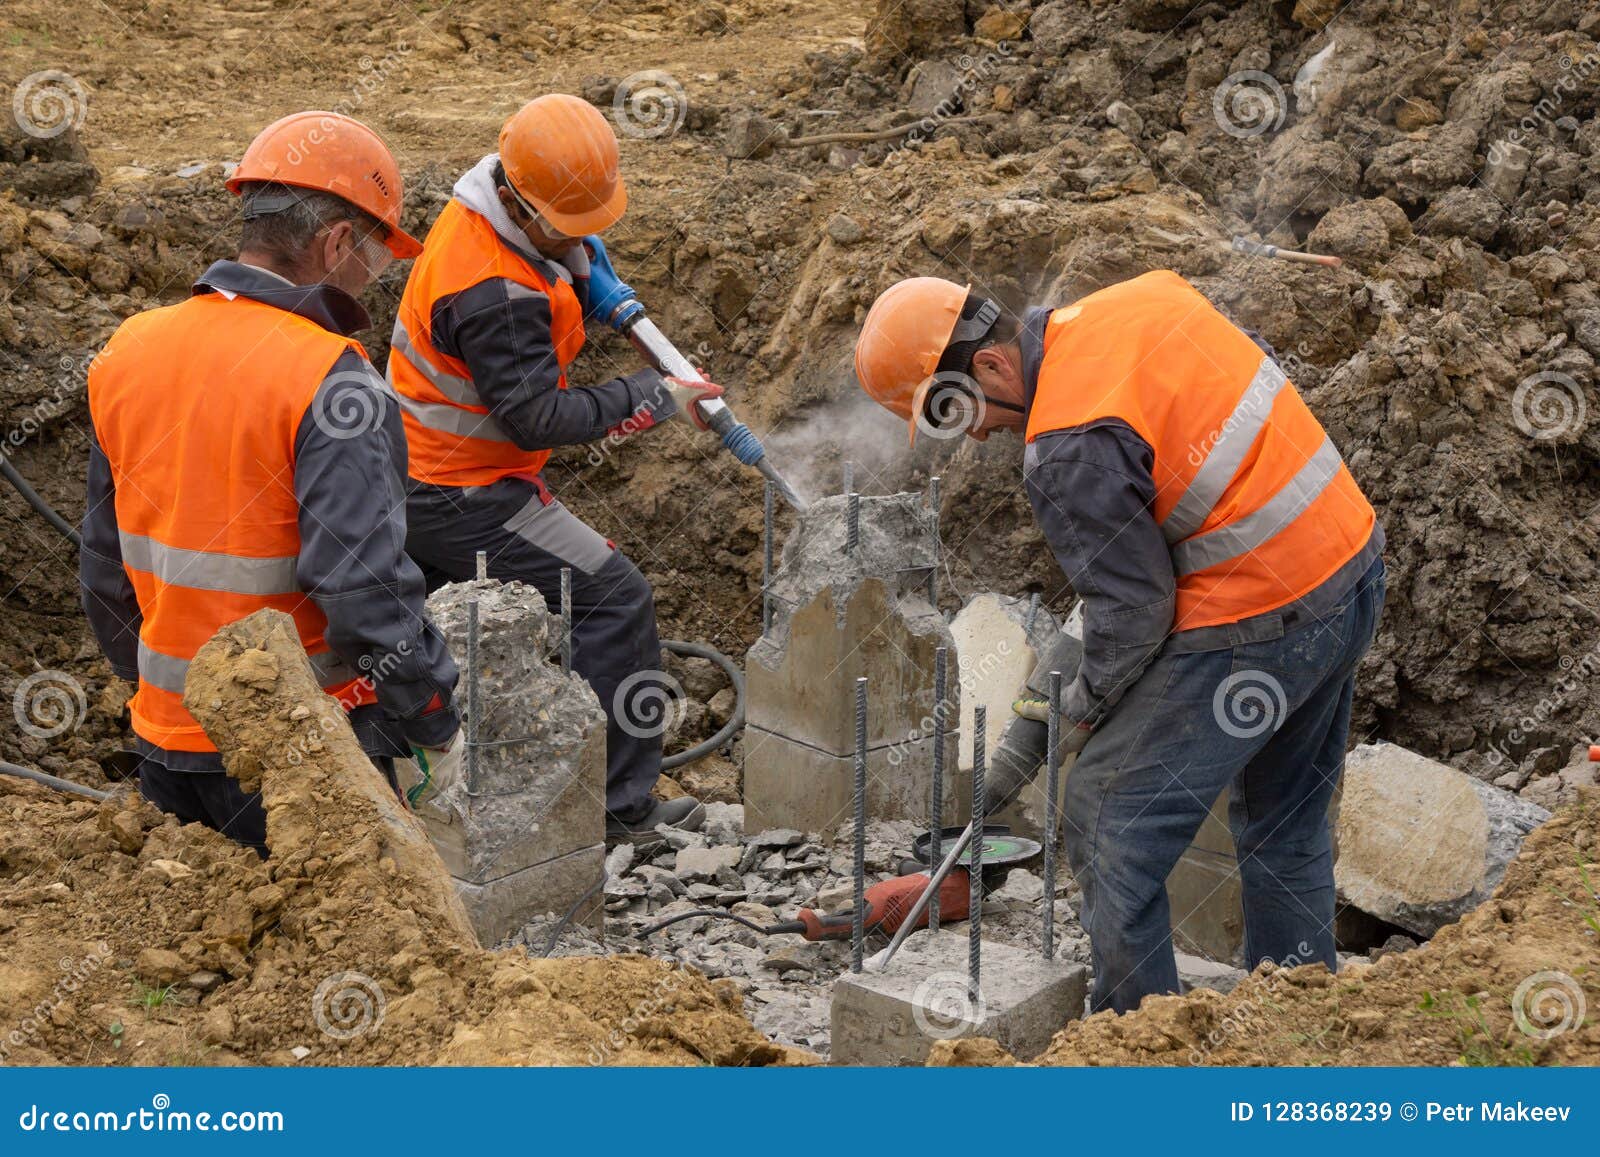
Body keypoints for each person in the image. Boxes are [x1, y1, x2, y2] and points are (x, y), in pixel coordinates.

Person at [853, 271, 1386, 1013]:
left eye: (956, 413)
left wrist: (1075, 713)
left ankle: (1140, 1047)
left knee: (1107, 812)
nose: (972, 434)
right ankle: (1296, 1027)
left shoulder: (1067, 445)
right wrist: (1049, 701)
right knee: (1283, 821)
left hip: (1266, 616)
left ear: (989, 367)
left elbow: (1134, 614)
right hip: (1349, 566)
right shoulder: (1132, 305)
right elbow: (1136, 559)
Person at [80, 111, 462, 855]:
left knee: (206, 954)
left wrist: (161, 698)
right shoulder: (329, 379)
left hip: (163, 742)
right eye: (377, 253)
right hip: (289, 756)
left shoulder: (130, 349)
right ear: (336, 243)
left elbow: (103, 572)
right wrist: (433, 714)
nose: (377, 277)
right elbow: (360, 591)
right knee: (334, 954)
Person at [387, 94, 722, 845]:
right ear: (520, 203)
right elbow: (537, 417)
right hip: (459, 492)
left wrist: (578, 266)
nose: (585, 238)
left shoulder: (490, 205)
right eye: (570, 229)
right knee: (614, 598)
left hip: (425, 475)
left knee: (470, 638)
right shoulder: (493, 294)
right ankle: (614, 811)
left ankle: (488, 787)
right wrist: (653, 395)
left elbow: (552, 264)